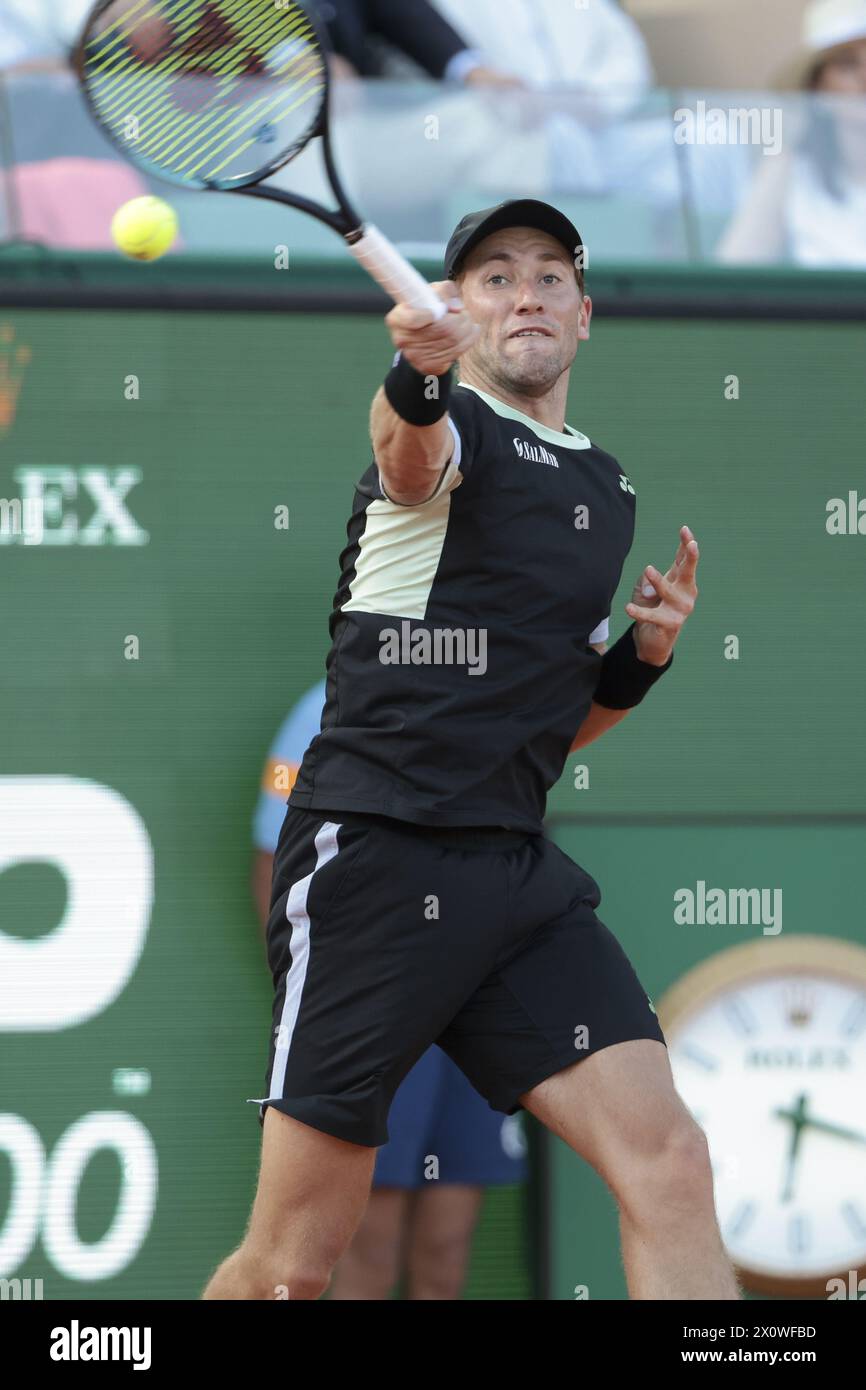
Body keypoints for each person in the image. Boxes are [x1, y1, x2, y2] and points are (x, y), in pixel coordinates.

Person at [204, 196, 737, 1302]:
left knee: (670, 1161)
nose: (524, 292)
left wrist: (638, 658)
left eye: (548, 275)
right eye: (493, 277)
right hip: (378, 860)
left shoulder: (604, 483)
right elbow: (410, 457)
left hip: (514, 871)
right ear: (452, 309)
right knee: (291, 1268)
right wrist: (418, 377)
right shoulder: (444, 431)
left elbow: (556, 726)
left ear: (582, 315)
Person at [252, 680, 528, 1300]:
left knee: (446, 1250)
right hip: (374, 1018)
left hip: (474, 1018)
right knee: (364, 1250)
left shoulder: (498, 698)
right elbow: (273, 859)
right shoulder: (327, 706)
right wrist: (331, 998)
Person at [718, 0, 866, 267]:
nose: (865, 78)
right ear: (817, 85)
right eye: (847, 65)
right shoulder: (790, 170)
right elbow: (736, 270)